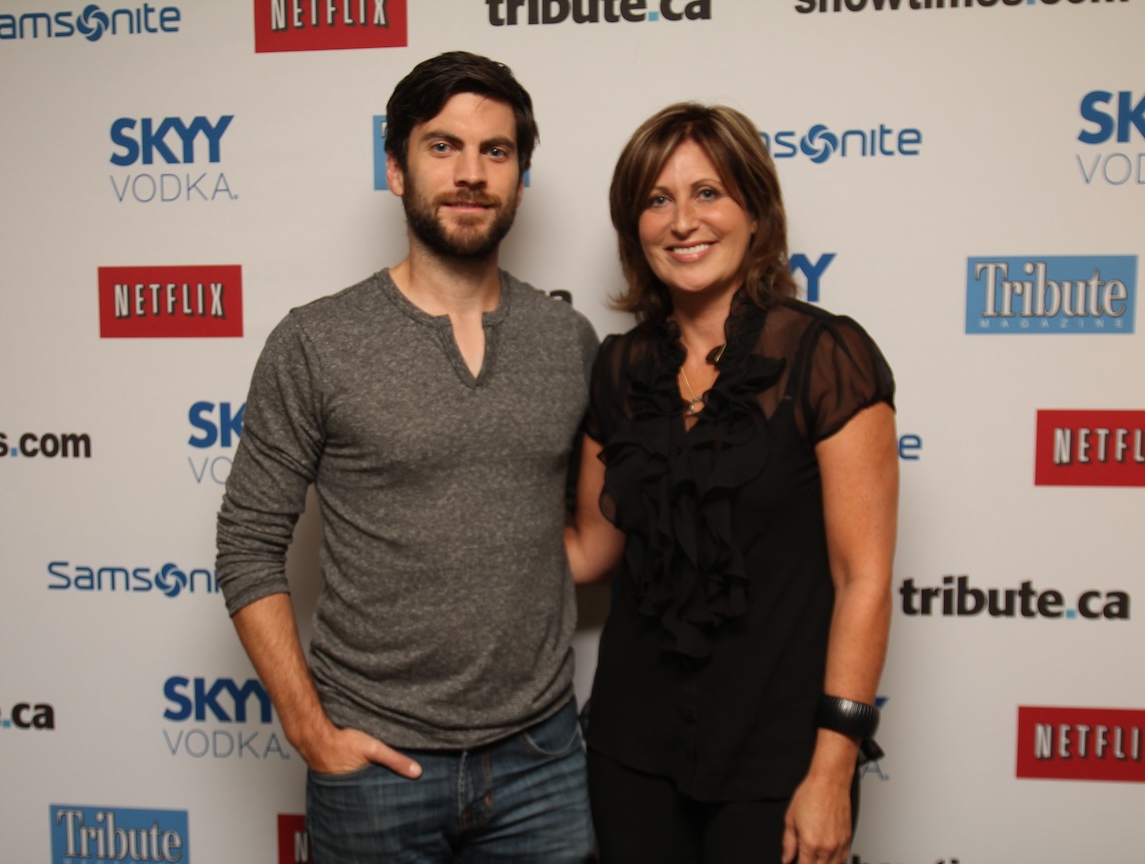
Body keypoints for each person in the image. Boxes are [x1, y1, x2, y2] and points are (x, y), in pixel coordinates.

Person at [215, 51, 597, 864]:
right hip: (376, 768)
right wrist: (311, 731)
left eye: (496, 152)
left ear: (521, 179)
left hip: (542, 760)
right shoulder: (315, 342)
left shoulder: (570, 344)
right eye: (442, 146)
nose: (470, 173)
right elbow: (247, 546)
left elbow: (576, 533)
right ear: (396, 167)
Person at [566, 103, 898, 864]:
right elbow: (589, 550)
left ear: (756, 210)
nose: (683, 222)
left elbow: (864, 579)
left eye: (708, 193)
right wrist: (440, 526)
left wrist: (833, 768)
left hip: (780, 761)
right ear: (634, 228)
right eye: (657, 200)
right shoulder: (620, 370)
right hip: (629, 753)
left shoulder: (827, 357)